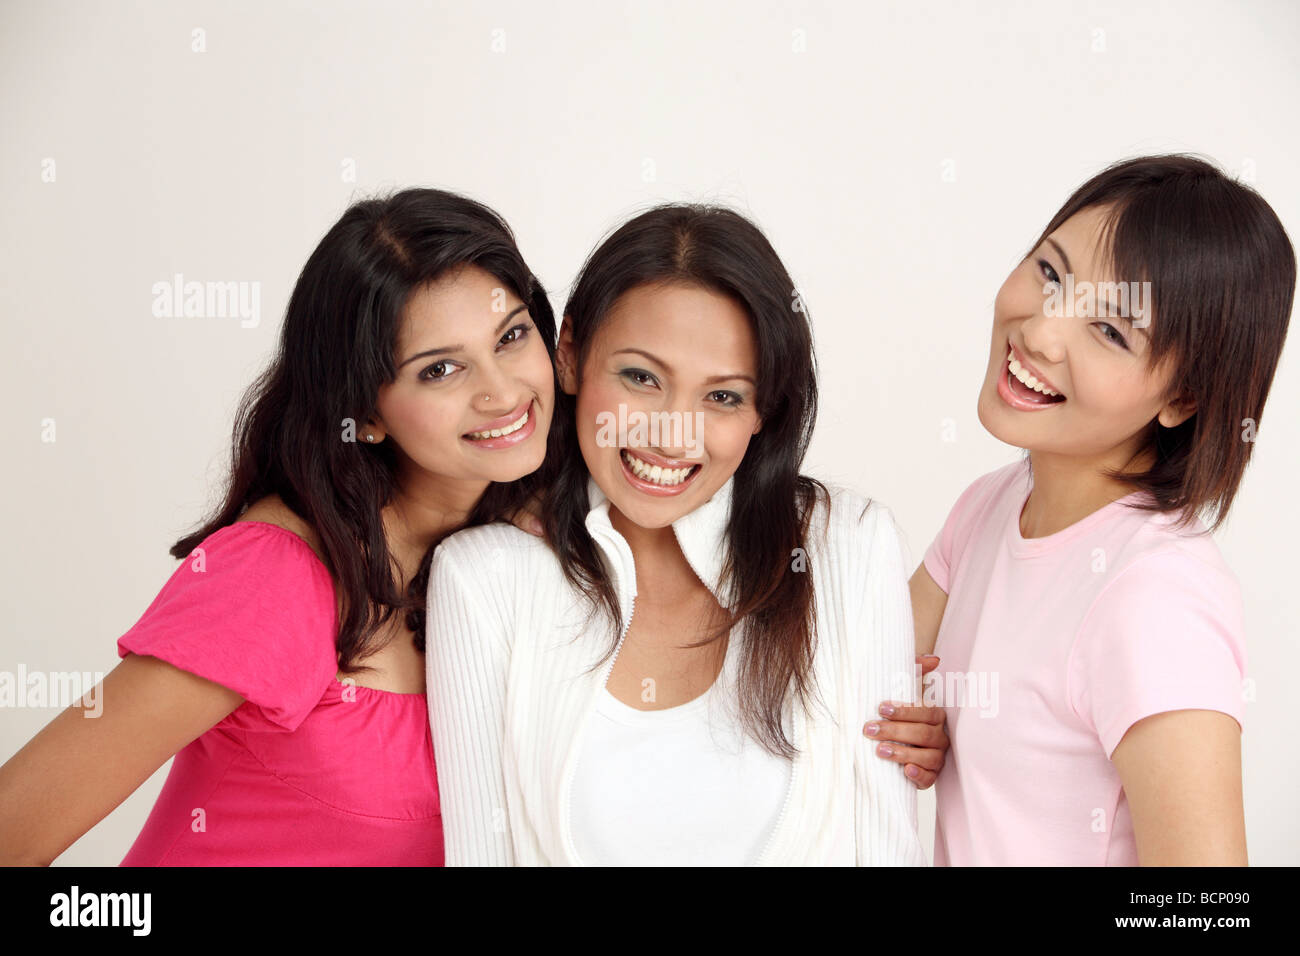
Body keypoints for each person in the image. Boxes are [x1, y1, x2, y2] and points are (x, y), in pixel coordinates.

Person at [0, 187, 558, 865]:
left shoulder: (525, 551)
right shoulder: (274, 577)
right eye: (440, 369)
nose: (502, 392)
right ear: (366, 409)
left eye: (512, 336)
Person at [425, 203, 936, 865]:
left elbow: (889, 849)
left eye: (722, 396)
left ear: (763, 410)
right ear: (572, 356)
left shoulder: (849, 545)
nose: (673, 434)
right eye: (641, 378)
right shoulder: (483, 577)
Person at [908, 155, 1294, 865]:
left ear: (1183, 400)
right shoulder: (992, 506)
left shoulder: (1156, 595)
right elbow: (856, 672)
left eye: (1112, 332)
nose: (1042, 333)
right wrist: (906, 724)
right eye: (1052, 274)